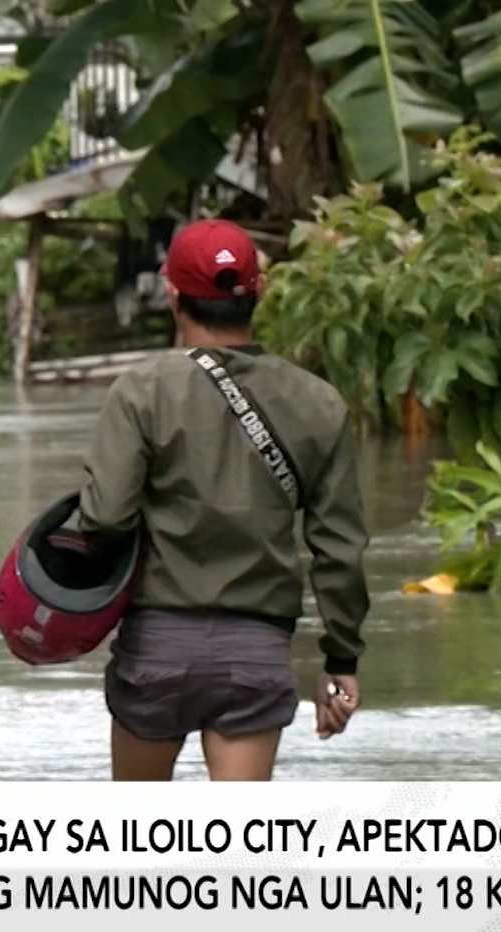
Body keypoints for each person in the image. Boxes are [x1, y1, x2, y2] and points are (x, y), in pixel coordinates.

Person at [76, 219, 371, 782]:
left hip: (155, 649)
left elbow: (105, 518)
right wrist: (341, 660)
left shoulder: (141, 391)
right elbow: (339, 550)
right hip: (255, 651)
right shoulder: (319, 402)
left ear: (173, 293)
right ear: (258, 292)